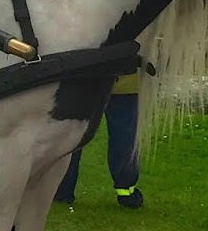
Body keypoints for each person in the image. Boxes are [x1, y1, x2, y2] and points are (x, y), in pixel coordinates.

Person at [54, 74, 142, 209]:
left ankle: (62, 190)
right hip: (124, 78)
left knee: (74, 132)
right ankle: (127, 192)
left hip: (85, 77)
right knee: (124, 133)